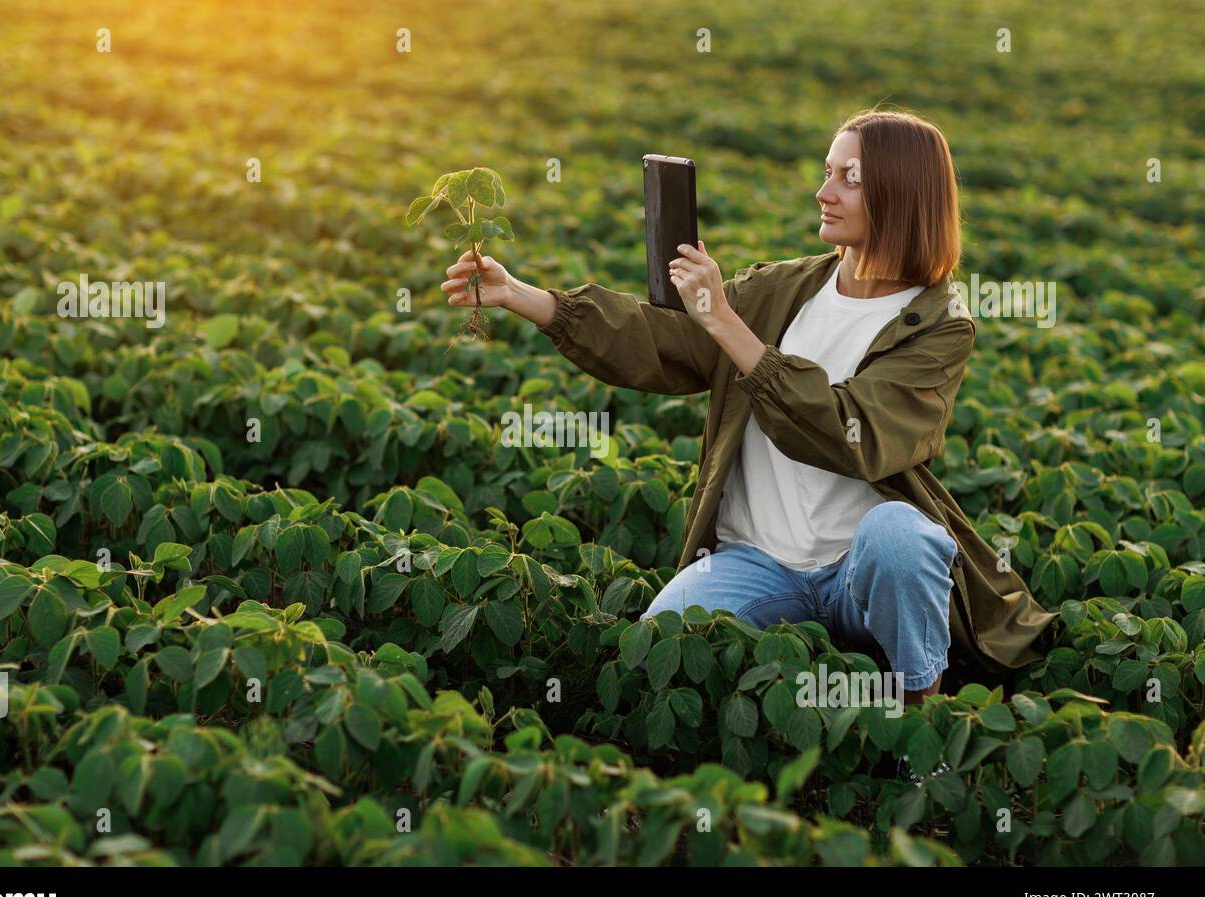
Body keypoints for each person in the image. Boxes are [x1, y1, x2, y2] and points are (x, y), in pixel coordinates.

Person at [440, 107, 1058, 708]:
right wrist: (523, 296)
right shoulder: (782, 288)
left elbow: (851, 432)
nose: (824, 192)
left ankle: (922, 712)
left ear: (903, 194)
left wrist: (727, 325)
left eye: (850, 179)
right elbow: (664, 339)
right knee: (657, 645)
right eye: (826, 171)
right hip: (756, 560)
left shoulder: (939, 326)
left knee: (903, 536)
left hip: (856, 566)